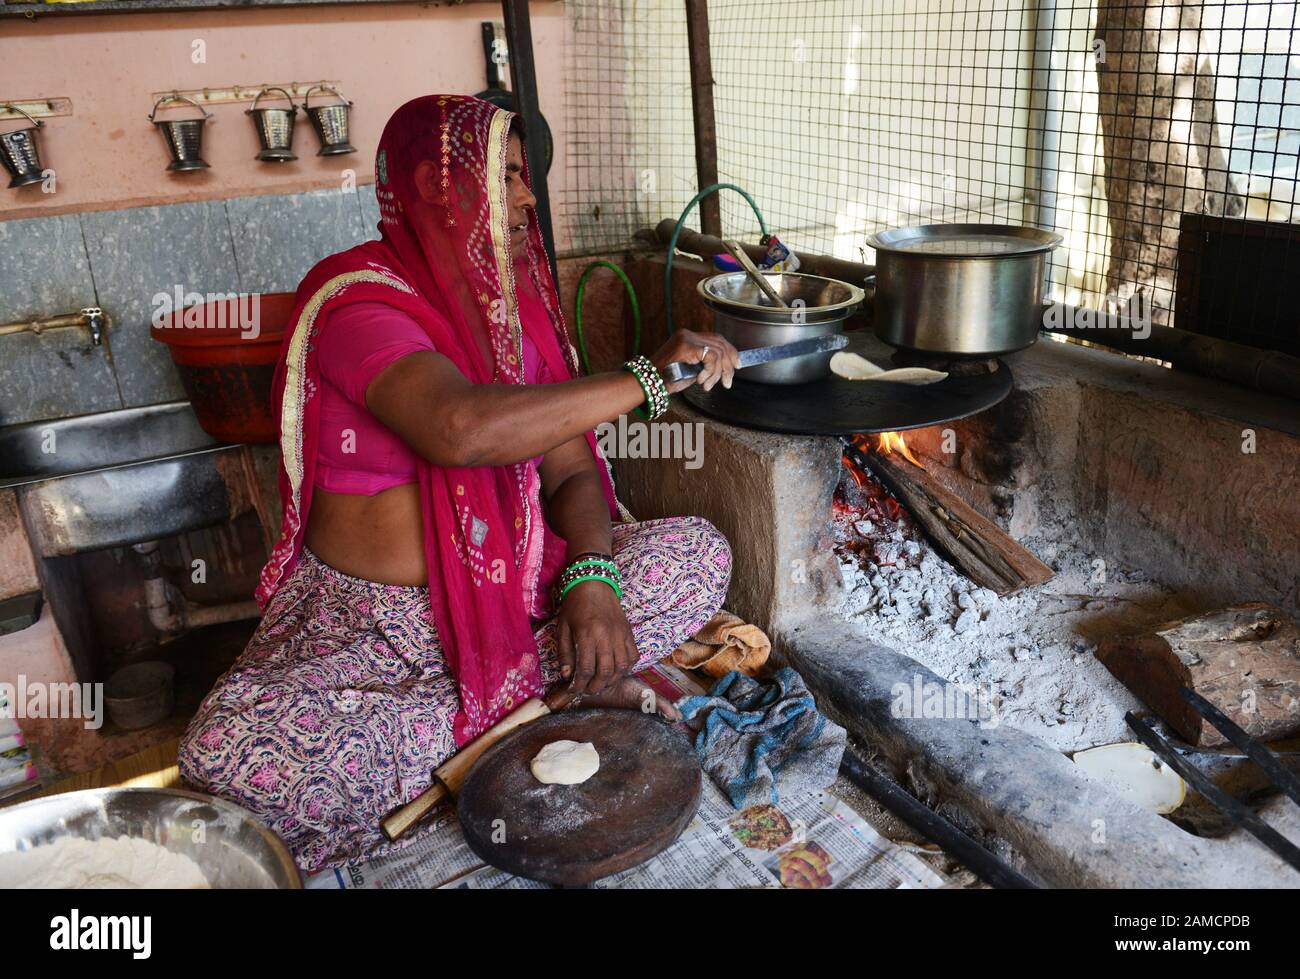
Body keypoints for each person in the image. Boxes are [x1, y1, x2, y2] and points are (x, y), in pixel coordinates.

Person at [179, 94, 740, 872]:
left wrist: (591, 575)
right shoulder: (358, 300)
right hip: (373, 631)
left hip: (518, 599)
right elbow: (458, 428)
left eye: (524, 177)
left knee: (698, 553)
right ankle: (529, 701)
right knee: (230, 755)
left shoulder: (517, 309)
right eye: (505, 176)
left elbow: (572, 466)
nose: (526, 197)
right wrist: (647, 376)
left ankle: (490, 709)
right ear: (436, 187)